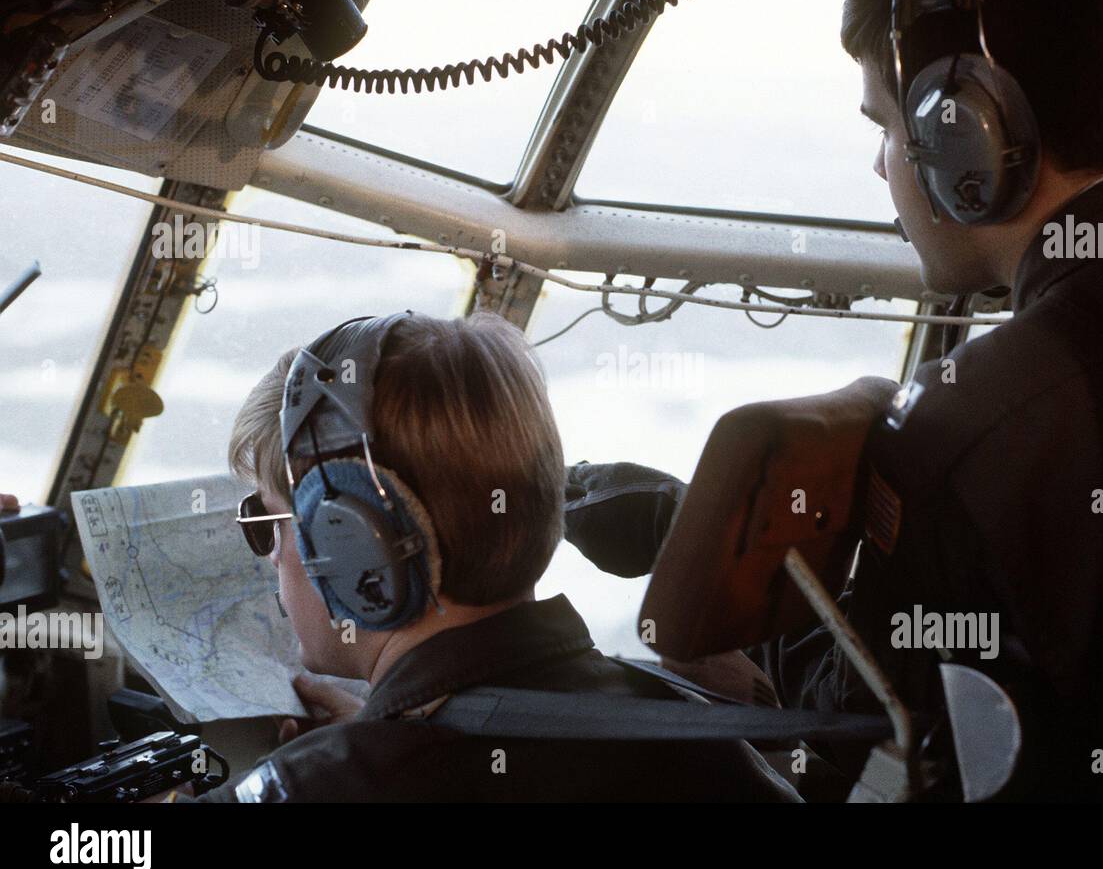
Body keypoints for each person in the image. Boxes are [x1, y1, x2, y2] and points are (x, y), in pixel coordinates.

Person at [566, 0, 1103, 801]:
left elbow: (878, 739)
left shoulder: (975, 425)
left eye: (888, 124)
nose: (883, 164)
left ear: (971, 130)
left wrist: (731, 629)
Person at [198, 311, 797, 802]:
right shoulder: (686, 729)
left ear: (351, 542)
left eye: (268, 524)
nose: (273, 558)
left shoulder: (311, 790)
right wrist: (387, 734)